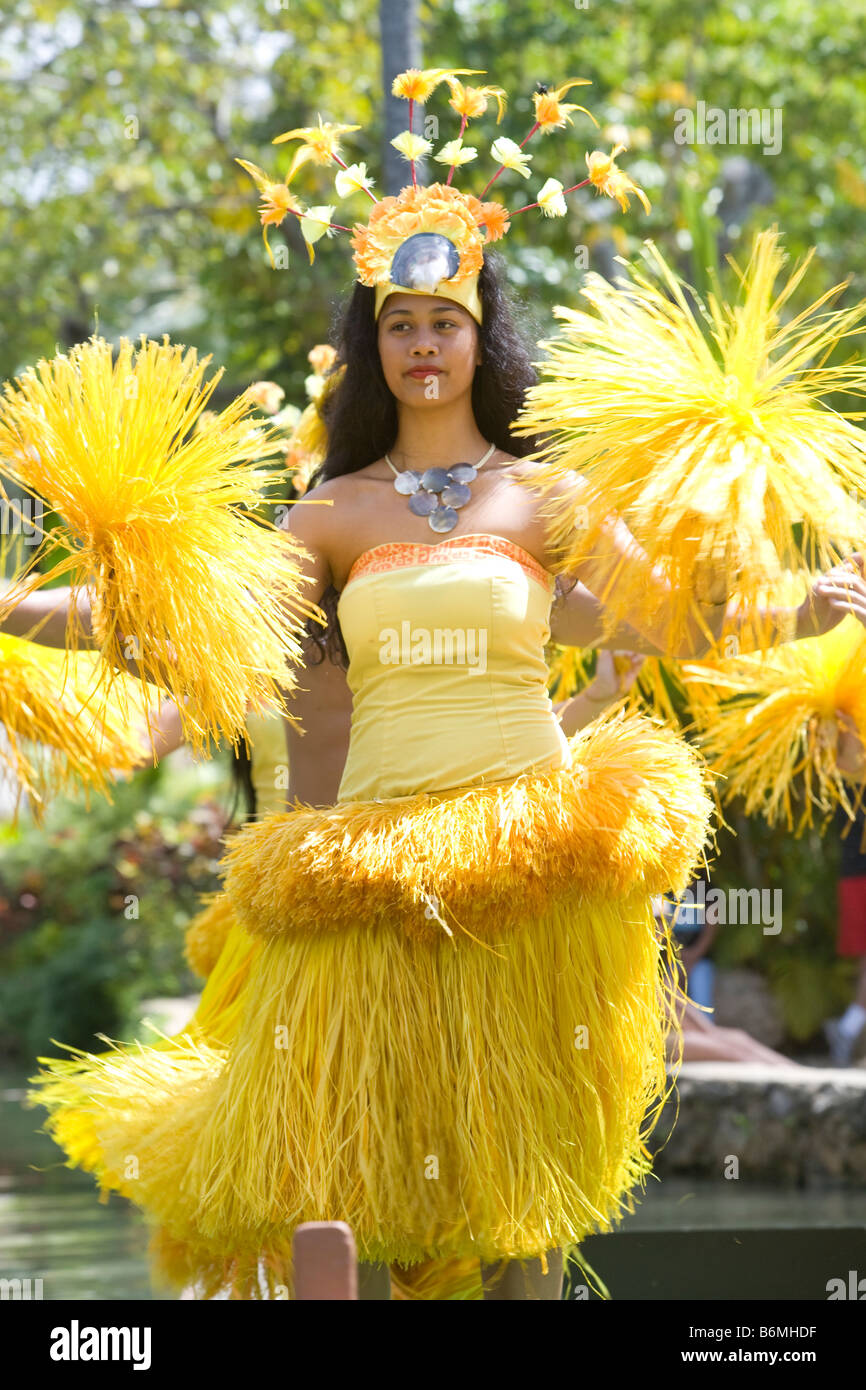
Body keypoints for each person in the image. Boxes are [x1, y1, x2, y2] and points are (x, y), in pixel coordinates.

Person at [22, 72, 866, 1302]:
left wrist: (799, 603)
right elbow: (177, 619)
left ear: (482, 336)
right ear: (374, 343)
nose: (422, 344)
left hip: (524, 860)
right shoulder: (331, 510)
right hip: (367, 868)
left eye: (444, 321)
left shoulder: (548, 497)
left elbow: (663, 615)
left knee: (513, 1202)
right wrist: (16, 609)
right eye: (399, 323)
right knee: (343, 1191)